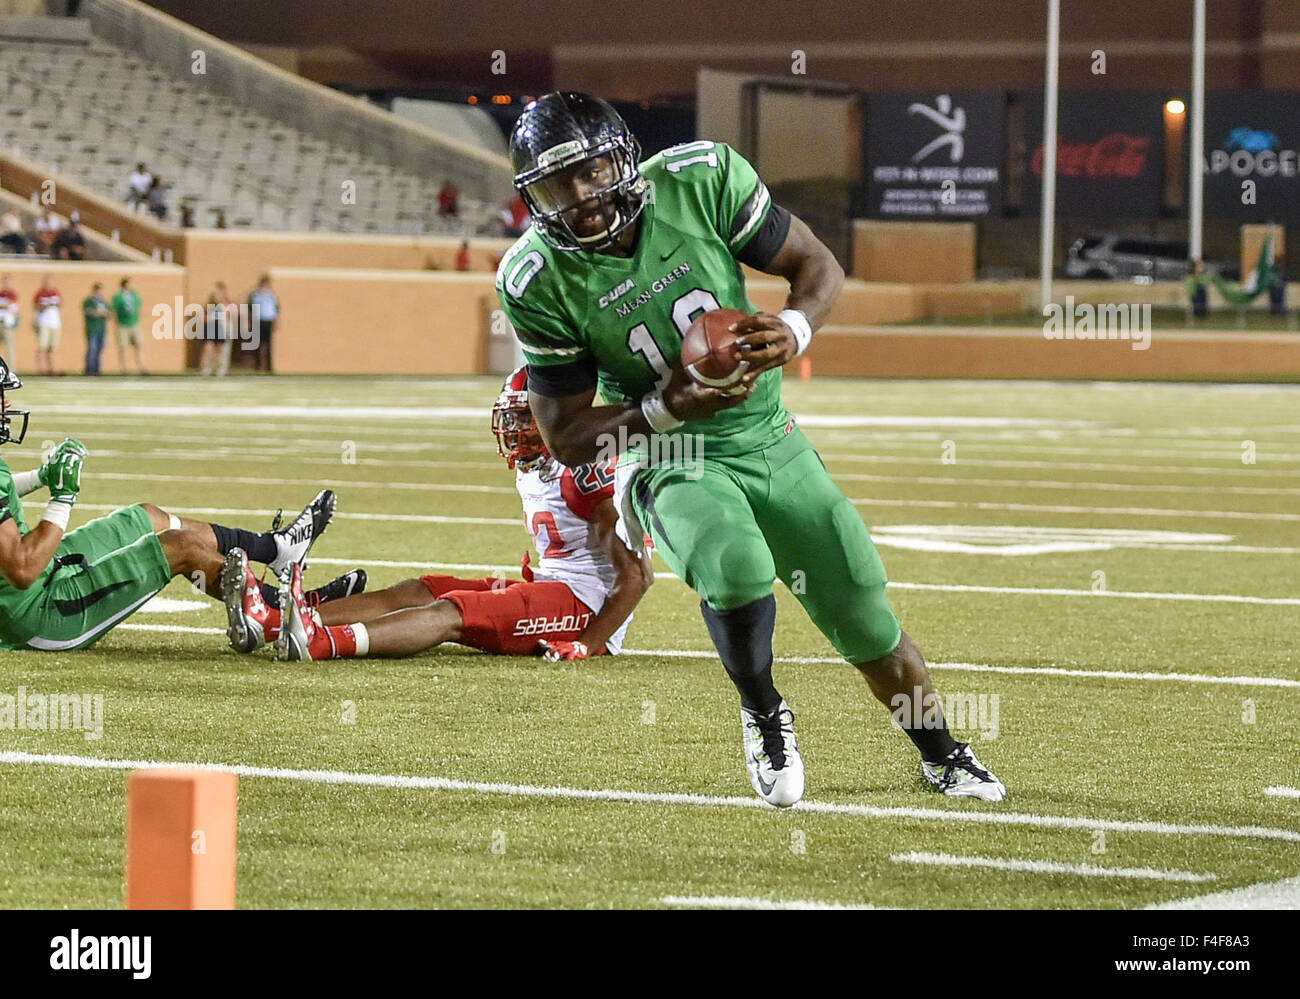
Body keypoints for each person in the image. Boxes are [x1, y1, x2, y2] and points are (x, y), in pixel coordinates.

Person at [498, 93, 1006, 807]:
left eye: (591, 171)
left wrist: (795, 329)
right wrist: (666, 405)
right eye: (559, 185)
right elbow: (568, 433)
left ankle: (943, 754)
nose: (581, 197)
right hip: (669, 454)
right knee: (736, 564)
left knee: (859, 597)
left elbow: (816, 265)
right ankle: (765, 711)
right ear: (534, 198)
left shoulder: (701, 179)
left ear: (623, 155)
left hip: (765, 433)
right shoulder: (538, 277)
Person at [229, 367, 652, 662]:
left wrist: (589, 643)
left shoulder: (584, 471)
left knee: (454, 611)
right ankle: (275, 624)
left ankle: (322, 643)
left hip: (585, 605)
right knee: (420, 589)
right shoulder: (538, 465)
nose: (513, 428)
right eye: (511, 416)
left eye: (525, 418)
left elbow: (636, 576)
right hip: (555, 585)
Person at [0, 360, 364, 652]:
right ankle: (282, 611)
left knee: (145, 517)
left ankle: (276, 549)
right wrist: (62, 497)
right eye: (1, 395)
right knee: (181, 547)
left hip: (36, 585)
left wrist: (39, 476)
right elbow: (23, 568)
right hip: (36, 616)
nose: (8, 405)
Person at [111, 277, 146, 375]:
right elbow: (113, 310)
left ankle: (142, 367)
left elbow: (138, 306)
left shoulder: (135, 295)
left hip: (135, 324)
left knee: (139, 345)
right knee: (123, 347)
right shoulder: (118, 297)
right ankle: (123, 369)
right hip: (123, 325)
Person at [200, 281, 234, 377]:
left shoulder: (224, 304)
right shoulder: (209, 305)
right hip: (210, 327)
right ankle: (206, 369)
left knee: (219, 350)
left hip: (219, 327)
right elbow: (204, 318)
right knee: (208, 349)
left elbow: (228, 316)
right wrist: (212, 317)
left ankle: (218, 369)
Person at [247, 274, 278, 373]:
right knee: (257, 344)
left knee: (268, 345)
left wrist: (276, 322)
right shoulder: (255, 295)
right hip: (257, 321)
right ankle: (257, 365)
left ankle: (269, 367)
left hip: (268, 321)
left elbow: (276, 310)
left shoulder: (271, 296)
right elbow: (250, 309)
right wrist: (250, 322)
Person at [32, 275, 61, 376]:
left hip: (55, 323)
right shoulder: (40, 294)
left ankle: (52, 369)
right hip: (44, 323)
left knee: (52, 348)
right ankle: (41, 369)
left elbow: (59, 306)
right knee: (42, 347)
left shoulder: (56, 292)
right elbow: (36, 307)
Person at [81, 282, 109, 375]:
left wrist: (101, 313)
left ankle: (97, 370)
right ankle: (89, 369)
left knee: (99, 350)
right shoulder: (89, 301)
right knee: (92, 349)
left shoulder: (104, 302)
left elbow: (109, 313)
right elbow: (91, 312)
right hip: (92, 329)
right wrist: (100, 313)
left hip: (102, 329)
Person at [0, 276, 17, 361]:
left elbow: (10, 306)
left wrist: (3, 306)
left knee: (9, 347)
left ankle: (11, 369)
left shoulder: (12, 294)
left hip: (7, 324)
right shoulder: (1, 294)